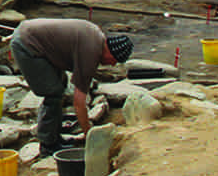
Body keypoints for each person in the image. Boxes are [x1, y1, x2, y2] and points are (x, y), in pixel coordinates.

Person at [9, 19, 134, 155]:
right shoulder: (91, 53)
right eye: (114, 61)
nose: (113, 65)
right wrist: (89, 135)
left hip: (34, 37)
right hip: (26, 45)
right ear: (111, 52)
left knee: (60, 85)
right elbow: (79, 103)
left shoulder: (97, 38)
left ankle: (54, 138)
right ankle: (48, 144)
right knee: (53, 93)